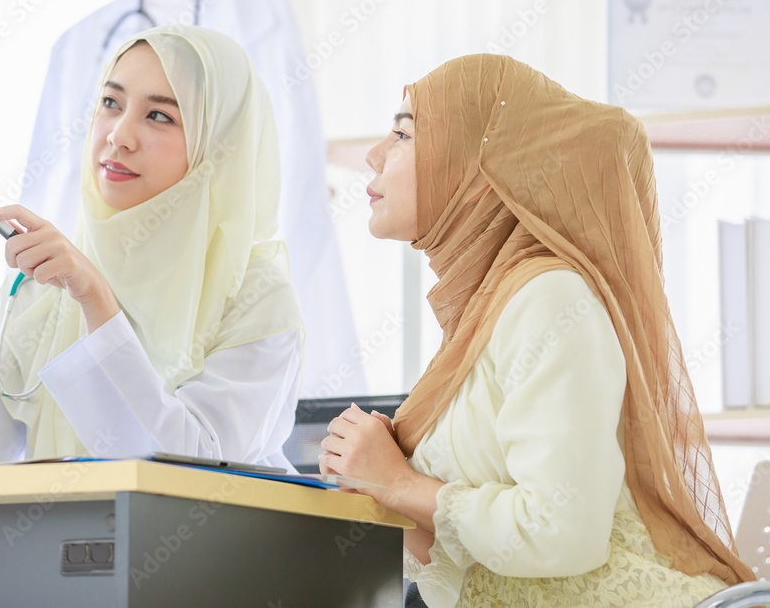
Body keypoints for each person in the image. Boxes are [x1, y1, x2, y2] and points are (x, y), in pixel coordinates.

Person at [319, 54, 754, 606]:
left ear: (478, 169)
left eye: (403, 134)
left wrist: (401, 485)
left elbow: (559, 532)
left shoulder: (548, 296)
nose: (375, 154)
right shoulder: (487, 307)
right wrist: (377, 481)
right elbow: (476, 568)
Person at [0, 25, 304, 470]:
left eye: (159, 115)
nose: (118, 135)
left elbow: (191, 472)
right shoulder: (44, 286)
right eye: (110, 103)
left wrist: (95, 301)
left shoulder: (254, 295)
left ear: (218, 147)